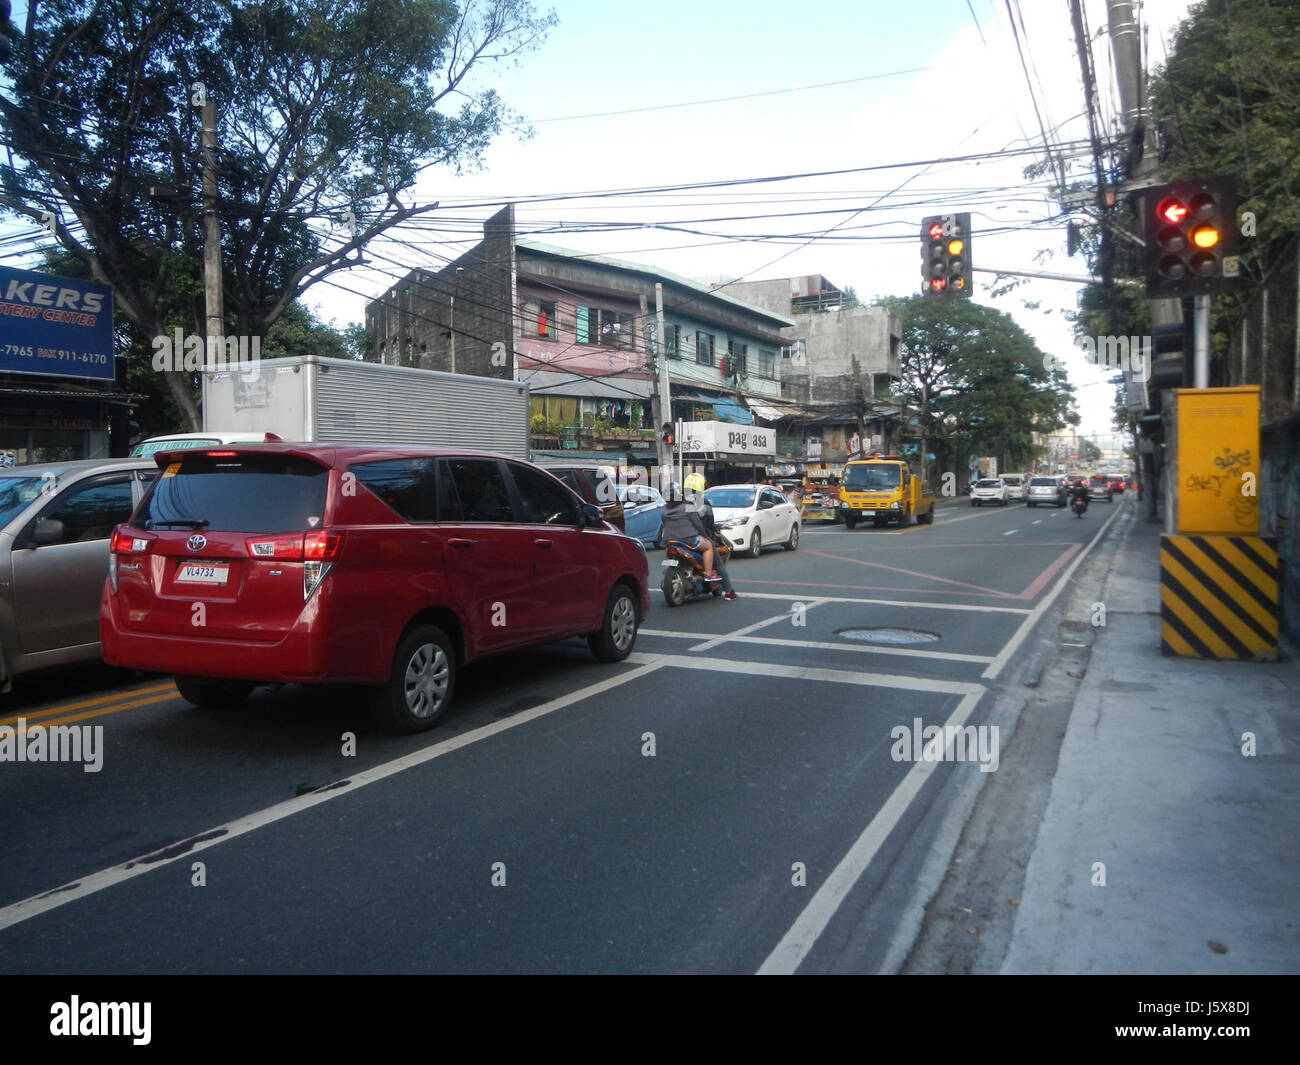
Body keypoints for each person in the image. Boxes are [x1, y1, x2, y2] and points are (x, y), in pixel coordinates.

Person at [686, 474, 737, 600]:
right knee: (718, 563)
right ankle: (729, 592)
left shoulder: (681, 502)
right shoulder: (703, 503)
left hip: (680, 538)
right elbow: (708, 524)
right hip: (698, 538)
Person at [657, 487, 720, 583]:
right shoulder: (688, 506)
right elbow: (698, 524)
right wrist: (706, 536)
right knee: (708, 546)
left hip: (670, 541)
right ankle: (708, 574)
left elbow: (664, 524)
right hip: (689, 539)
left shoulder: (664, 510)